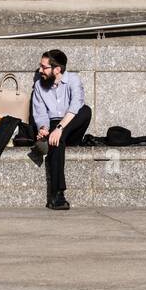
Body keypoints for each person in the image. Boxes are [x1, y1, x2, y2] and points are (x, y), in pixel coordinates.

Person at [30, 48, 92, 210]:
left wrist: (60, 128)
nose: (40, 70)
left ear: (57, 69)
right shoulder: (39, 86)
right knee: (56, 142)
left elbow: (75, 107)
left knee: (85, 110)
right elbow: (40, 112)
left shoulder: (73, 79)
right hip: (52, 126)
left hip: (70, 124)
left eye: (44, 67)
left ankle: (58, 135)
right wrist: (43, 128)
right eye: (40, 67)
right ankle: (57, 195)